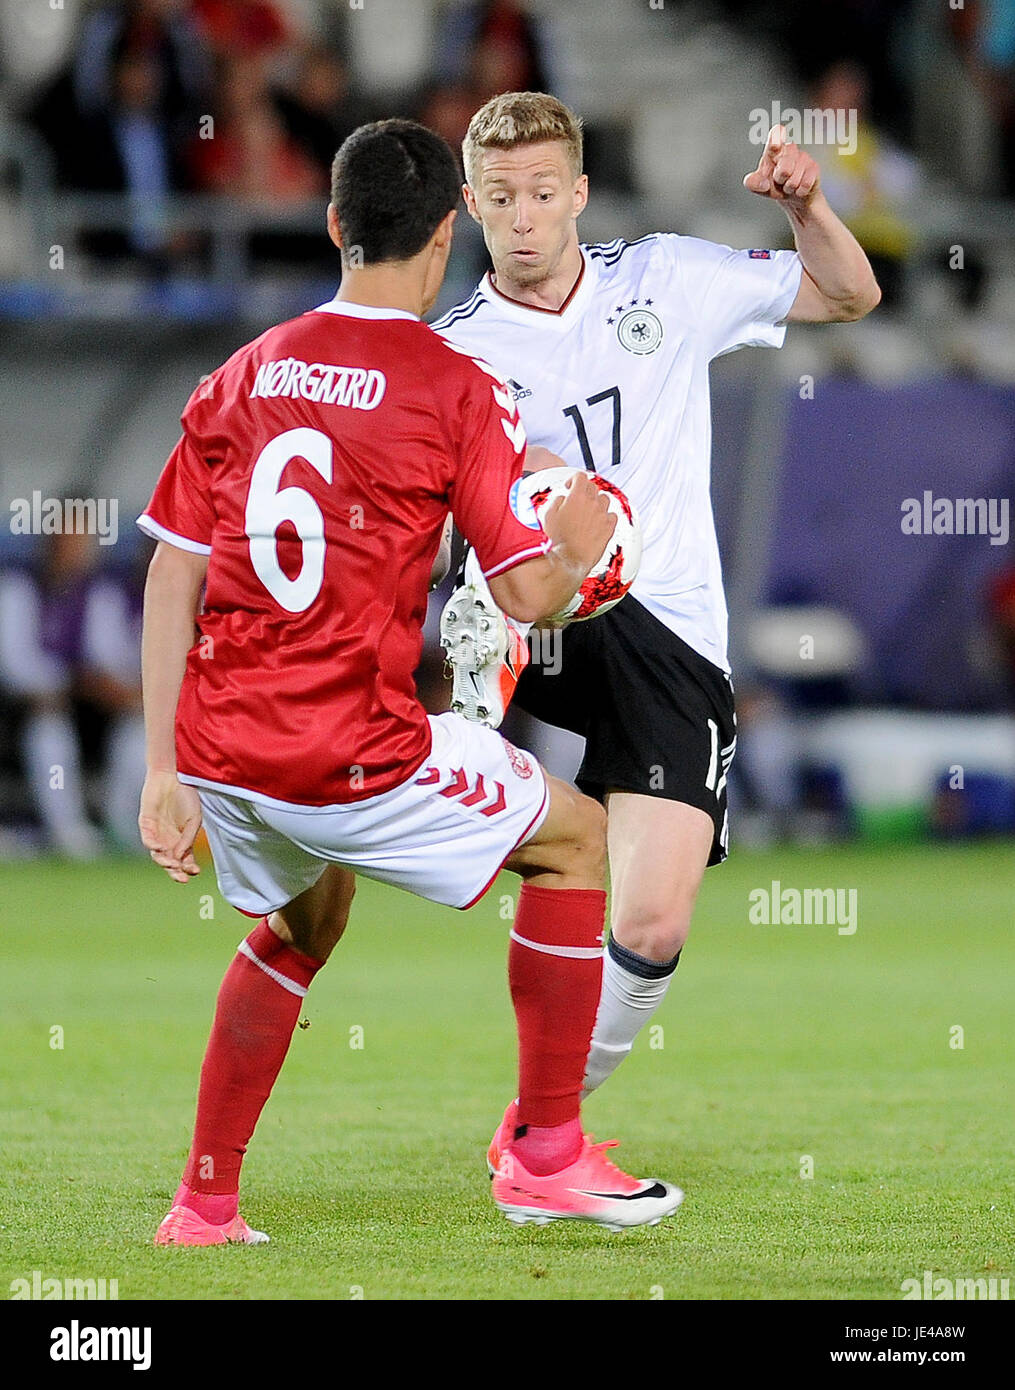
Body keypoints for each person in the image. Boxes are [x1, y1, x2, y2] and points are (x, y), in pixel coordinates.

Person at [137, 118, 683, 1245]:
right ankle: (544, 1154)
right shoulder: (451, 383)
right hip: (349, 752)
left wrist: (159, 768)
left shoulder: (243, 371)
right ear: (450, 234)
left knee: (304, 921)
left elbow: (170, 572)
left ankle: (203, 1203)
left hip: (223, 748)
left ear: (335, 225)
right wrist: (578, 540)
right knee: (577, 838)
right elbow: (527, 595)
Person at [426, 91, 880, 1168]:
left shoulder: (664, 280)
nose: (523, 217)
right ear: (472, 204)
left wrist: (808, 208)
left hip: (670, 628)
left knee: (652, 927)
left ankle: (541, 1123)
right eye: (500, 199)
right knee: (519, 560)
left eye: (542, 193)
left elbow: (852, 294)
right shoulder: (453, 356)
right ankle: (464, 725)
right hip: (545, 614)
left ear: (578, 193)